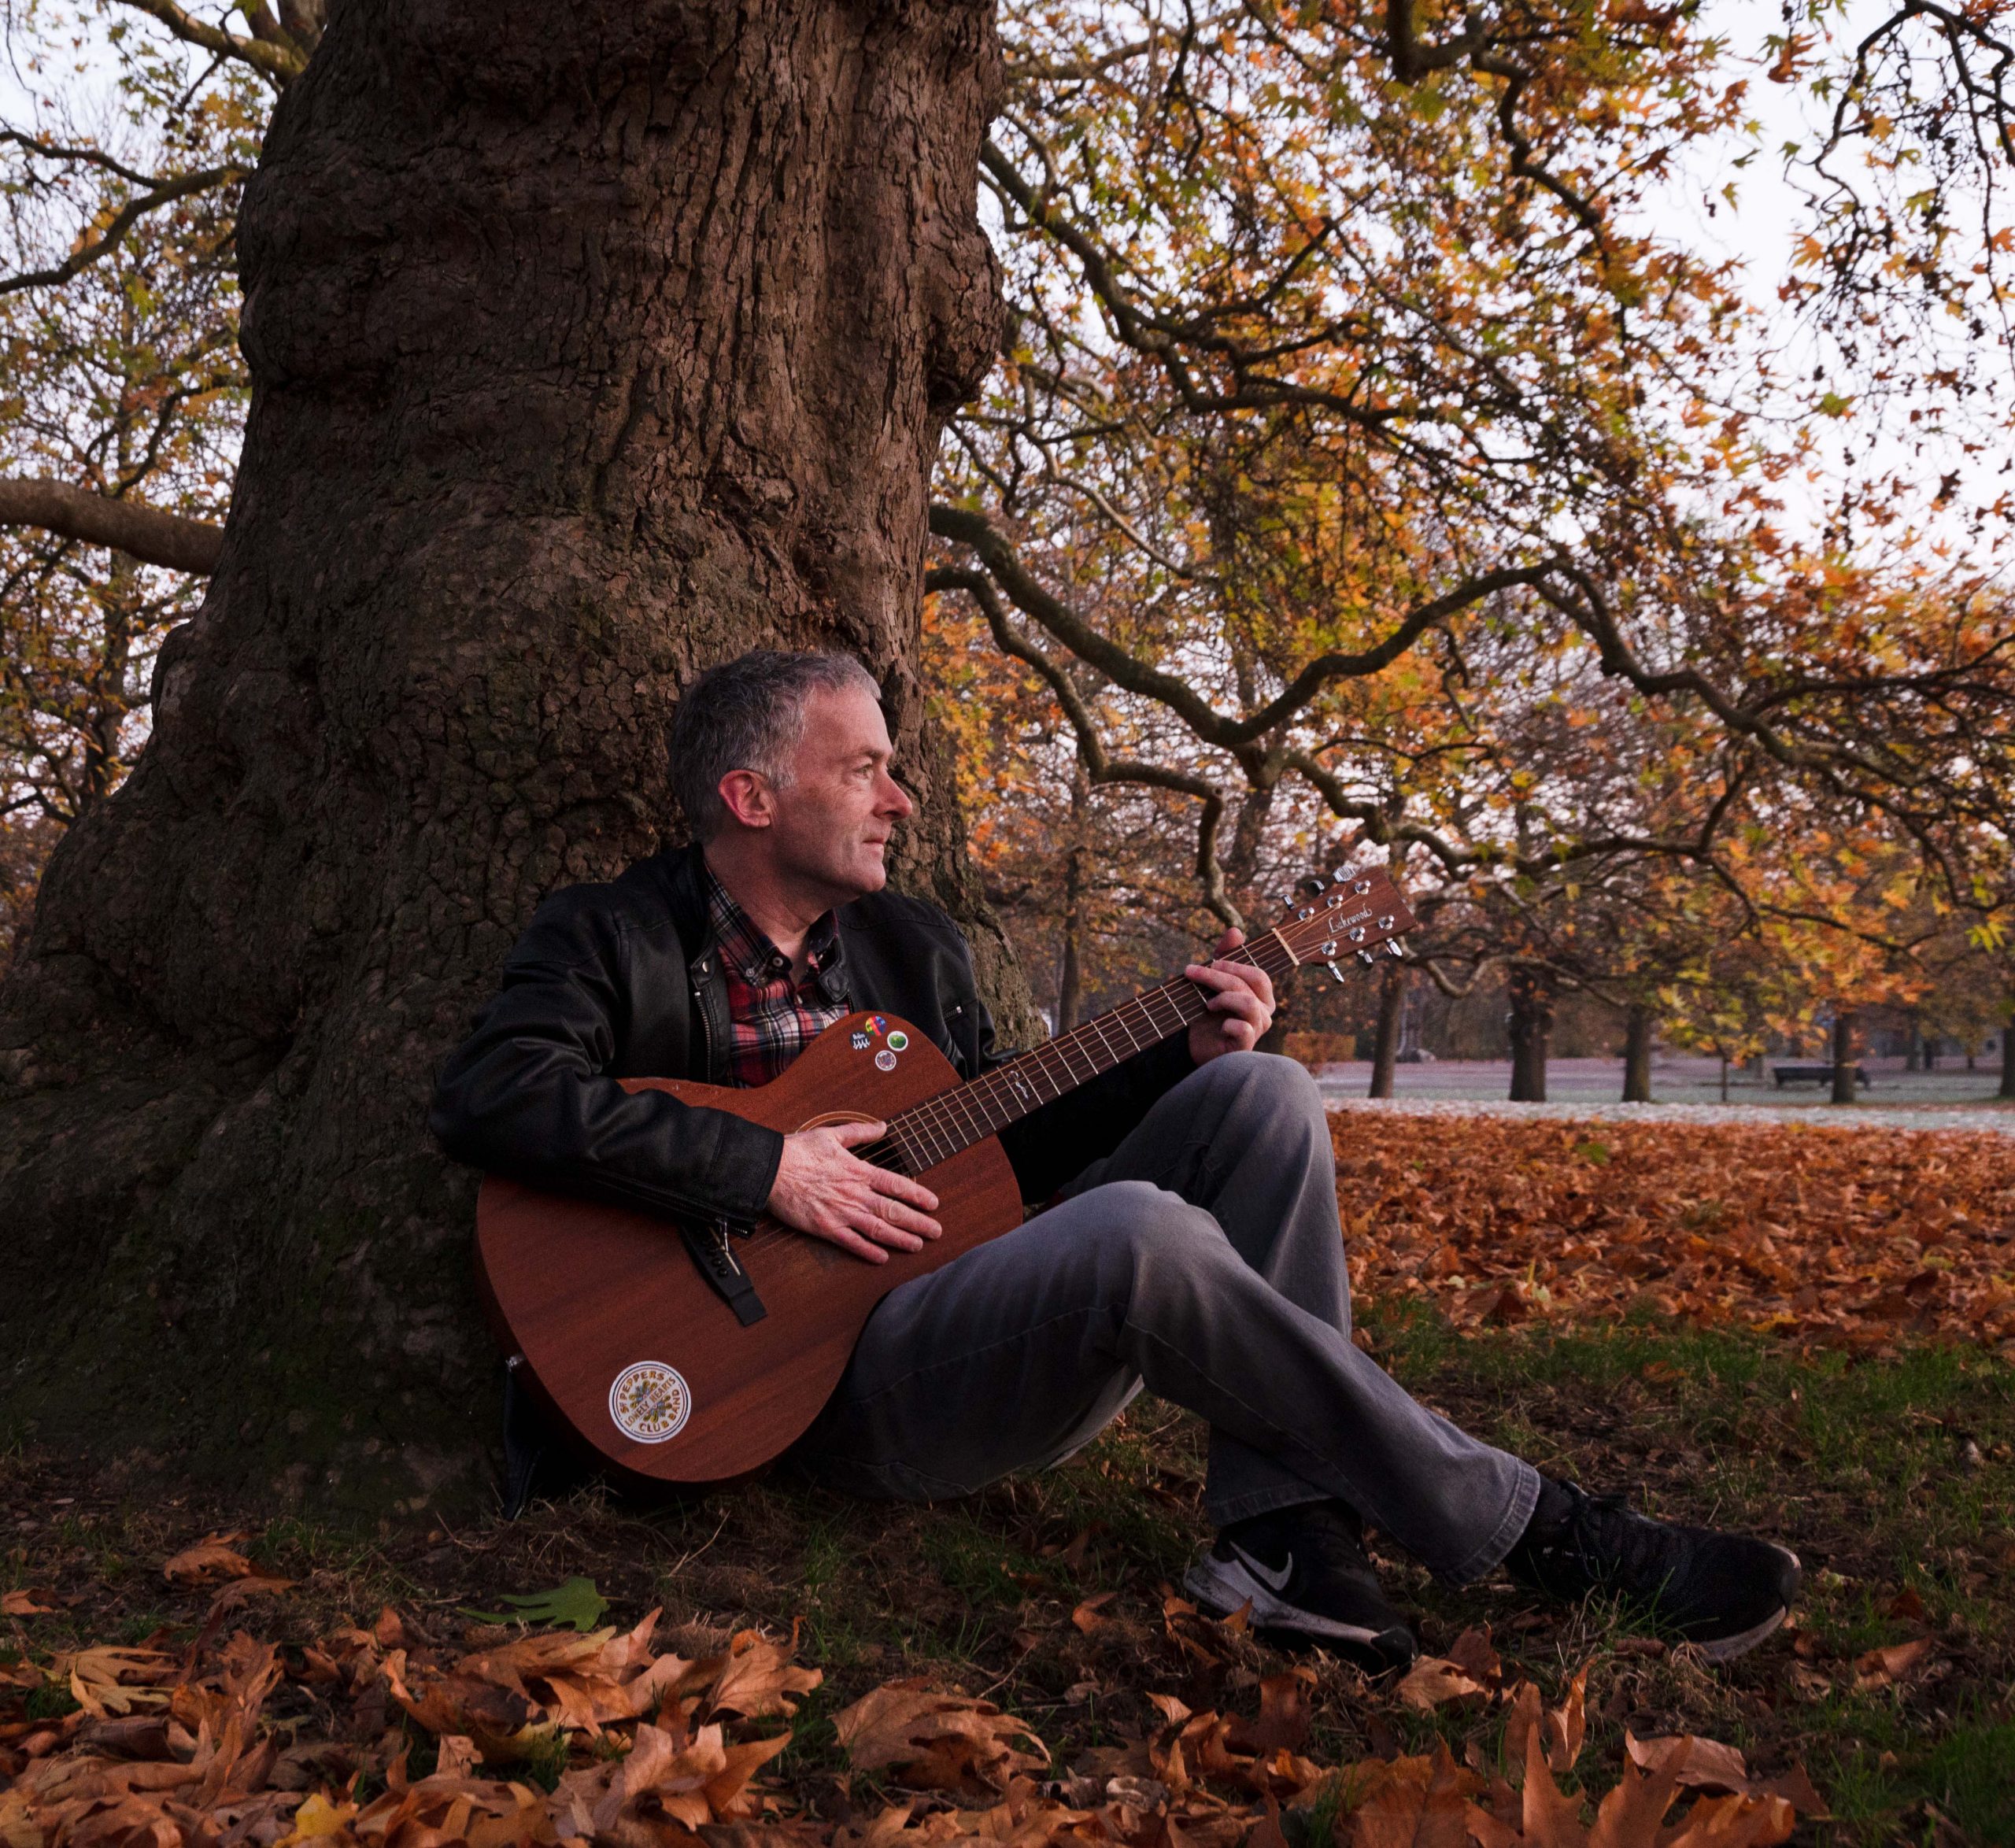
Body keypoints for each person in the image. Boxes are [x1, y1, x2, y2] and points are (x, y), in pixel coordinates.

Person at [431, 649, 1801, 1671]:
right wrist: (765, 1171)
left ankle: (1287, 1541)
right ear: (749, 792)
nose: (902, 800)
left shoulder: (915, 953)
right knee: (1139, 1233)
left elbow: (998, 1157)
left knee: (1261, 1093)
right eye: (864, 770)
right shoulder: (613, 937)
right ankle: (1541, 1532)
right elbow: (497, 1097)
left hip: (958, 1314)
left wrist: (1179, 1053)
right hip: (803, 1390)